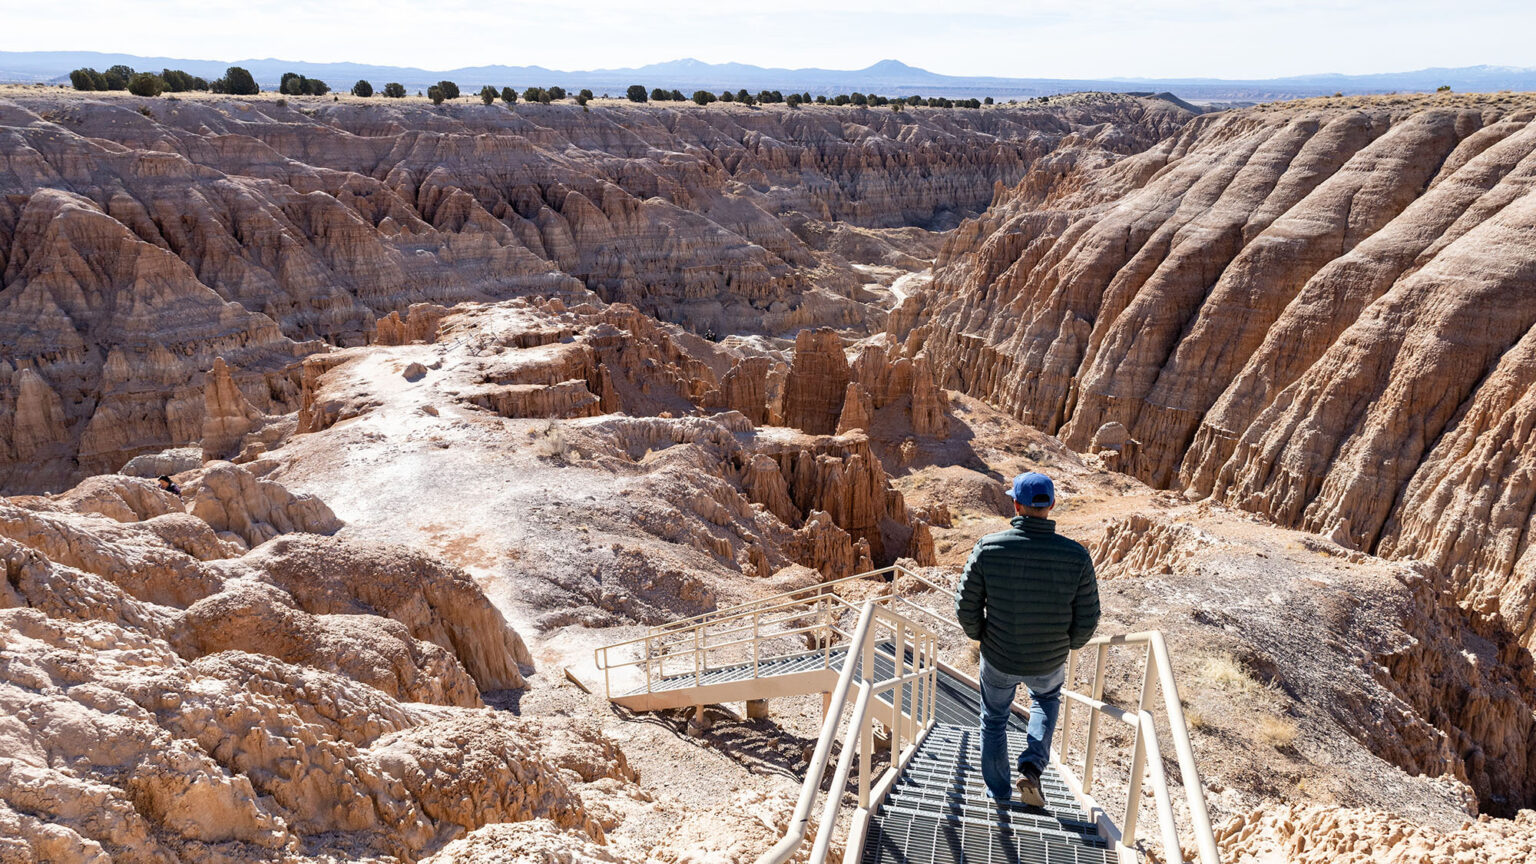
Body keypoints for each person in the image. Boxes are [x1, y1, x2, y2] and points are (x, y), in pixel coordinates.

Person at [955, 470, 1099, 807]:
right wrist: (1069, 645)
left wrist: (981, 637)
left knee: (993, 720)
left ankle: (999, 793)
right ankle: (1032, 766)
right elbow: (1089, 616)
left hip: (999, 657)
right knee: (1046, 701)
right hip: (1047, 659)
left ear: (1016, 506)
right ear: (1050, 505)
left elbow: (965, 605)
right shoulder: (1076, 556)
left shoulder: (988, 548)